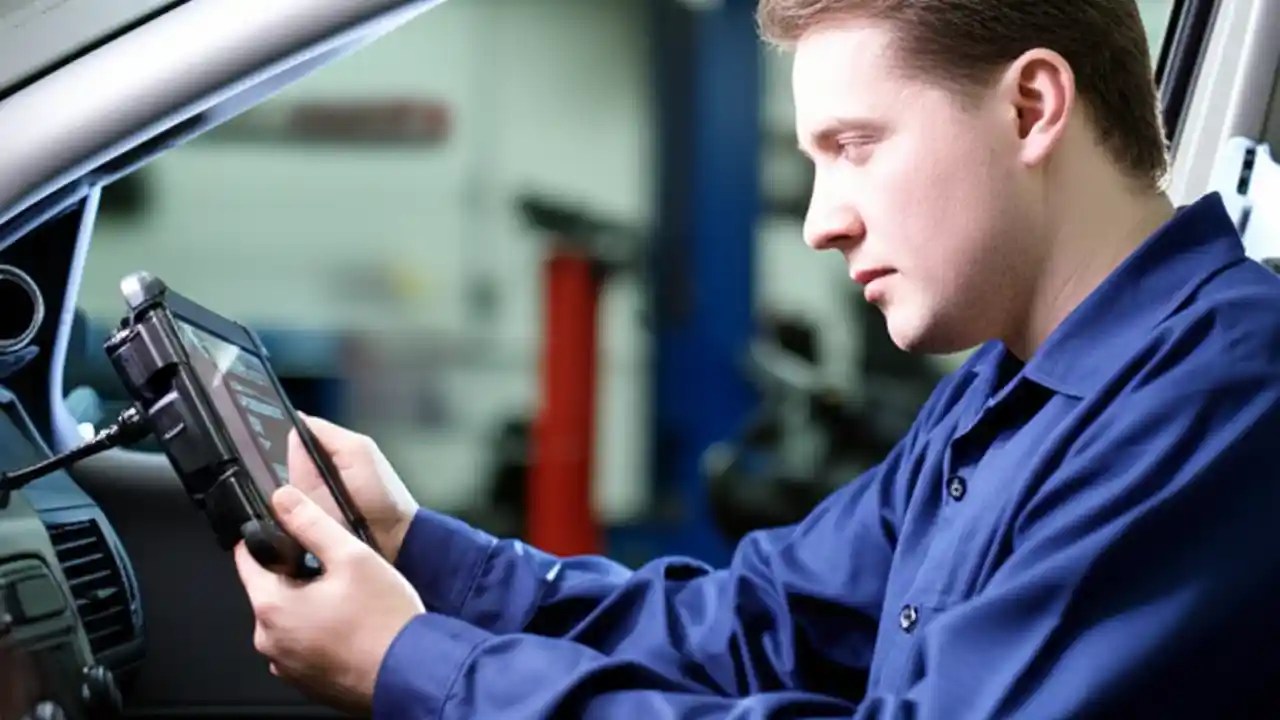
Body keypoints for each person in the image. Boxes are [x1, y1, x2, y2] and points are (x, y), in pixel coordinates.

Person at [233, 0, 1280, 717]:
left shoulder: (1226, 391)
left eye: (854, 146)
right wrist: (417, 547)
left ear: (1030, 107)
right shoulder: (1000, 393)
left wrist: (418, 667)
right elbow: (751, 628)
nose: (822, 222)